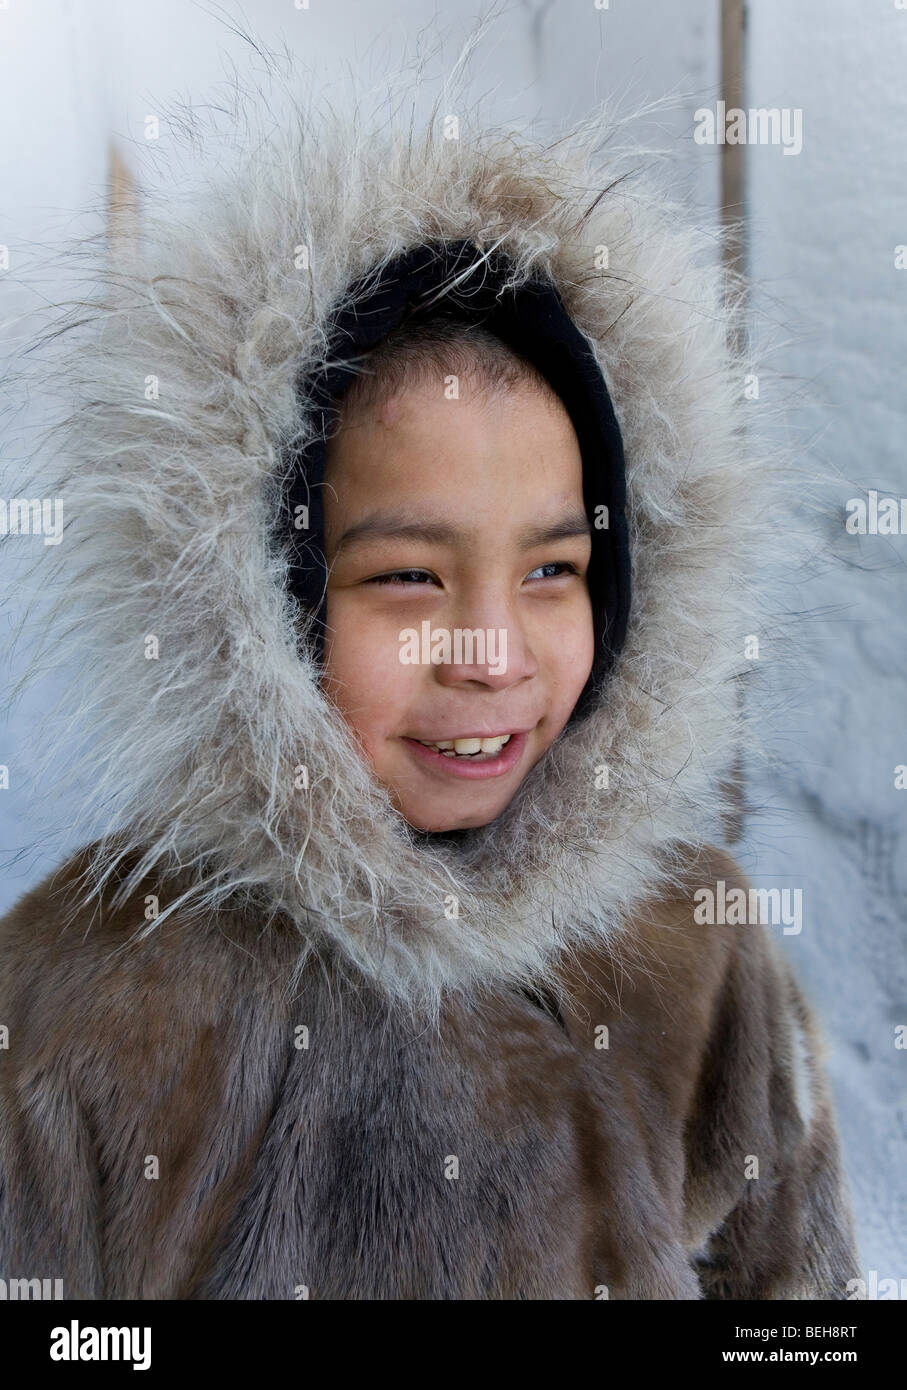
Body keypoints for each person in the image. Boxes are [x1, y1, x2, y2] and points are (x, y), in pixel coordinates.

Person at [0, 63, 860, 1299]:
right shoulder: (79, 998)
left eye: (555, 568)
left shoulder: (697, 957)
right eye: (408, 577)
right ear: (262, 605)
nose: (494, 654)